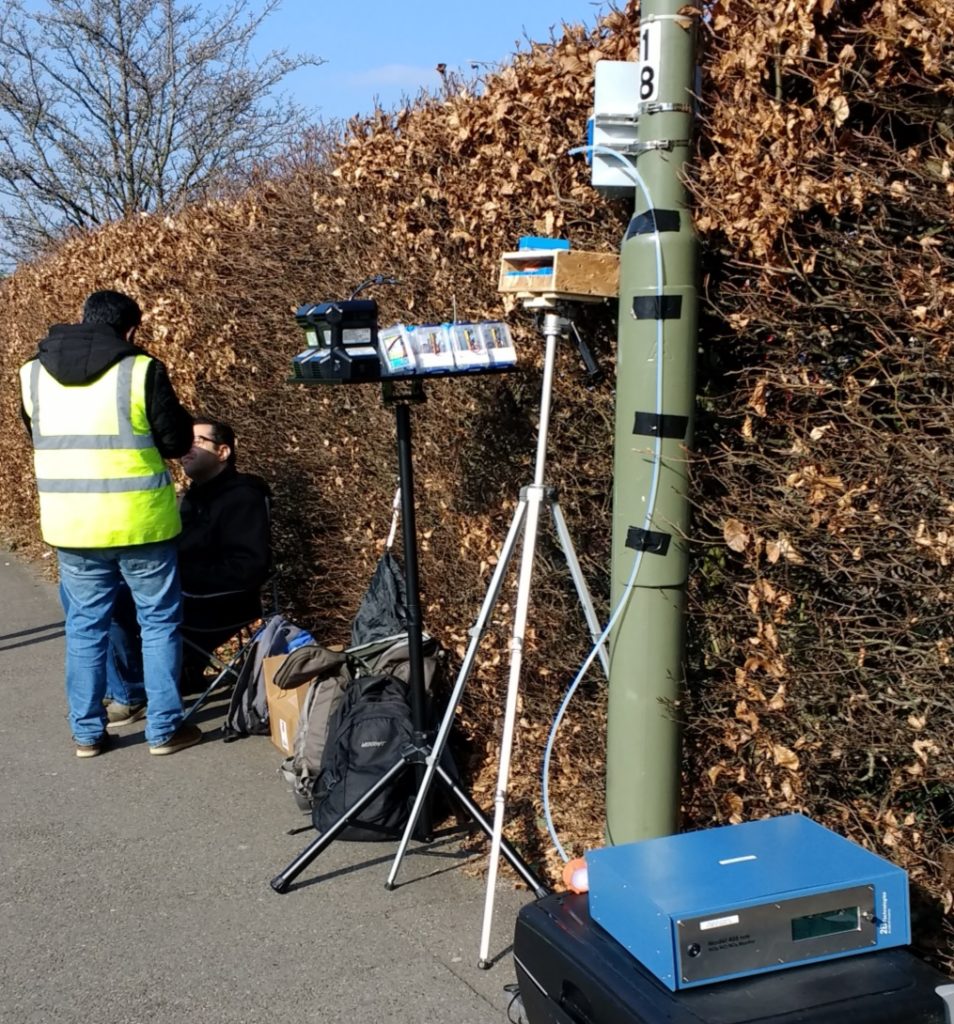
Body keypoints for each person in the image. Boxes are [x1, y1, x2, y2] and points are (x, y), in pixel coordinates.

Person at [19, 290, 202, 757]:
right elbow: (176, 440)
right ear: (131, 330)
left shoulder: (32, 374)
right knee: (158, 623)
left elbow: (35, 433)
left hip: (72, 526)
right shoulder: (141, 370)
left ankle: (87, 734)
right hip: (142, 525)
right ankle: (164, 730)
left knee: (84, 629)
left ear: (82, 319)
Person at [104, 417, 272, 709]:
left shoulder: (243, 498)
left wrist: (176, 577)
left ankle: (132, 692)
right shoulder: (194, 496)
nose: (187, 447)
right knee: (105, 595)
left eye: (198, 440)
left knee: (113, 604)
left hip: (217, 603)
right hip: (184, 592)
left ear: (223, 452)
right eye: (185, 441)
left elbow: (249, 568)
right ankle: (135, 685)